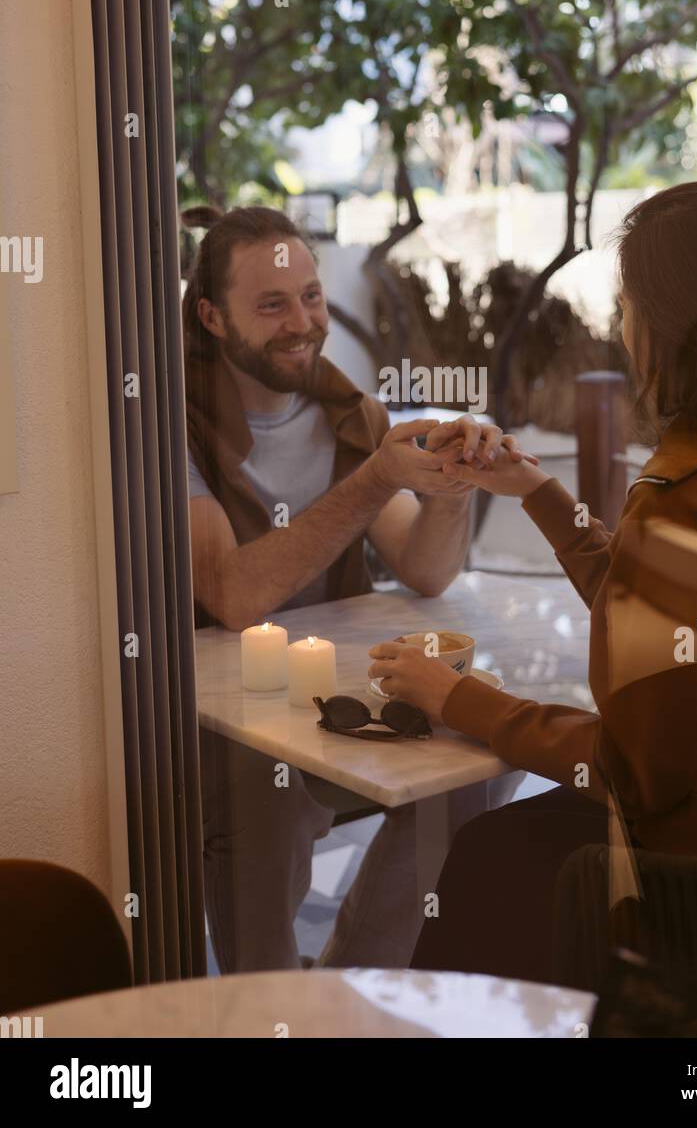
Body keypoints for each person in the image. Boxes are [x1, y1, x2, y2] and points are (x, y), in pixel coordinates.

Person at [366, 183, 697, 982]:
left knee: (488, 860)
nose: (620, 329)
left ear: (668, 325)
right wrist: (539, 492)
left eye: (628, 305)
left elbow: (629, 769)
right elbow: (683, 630)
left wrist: (456, 698)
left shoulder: (694, 491)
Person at [183, 205, 525, 972]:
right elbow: (234, 596)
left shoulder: (349, 414)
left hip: (336, 694)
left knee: (479, 747)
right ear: (211, 317)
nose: (303, 322)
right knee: (257, 789)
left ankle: (349, 981)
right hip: (225, 719)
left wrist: (451, 485)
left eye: (310, 296)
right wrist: (374, 479)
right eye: (271, 304)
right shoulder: (175, 426)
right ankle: (264, 1002)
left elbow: (427, 570)